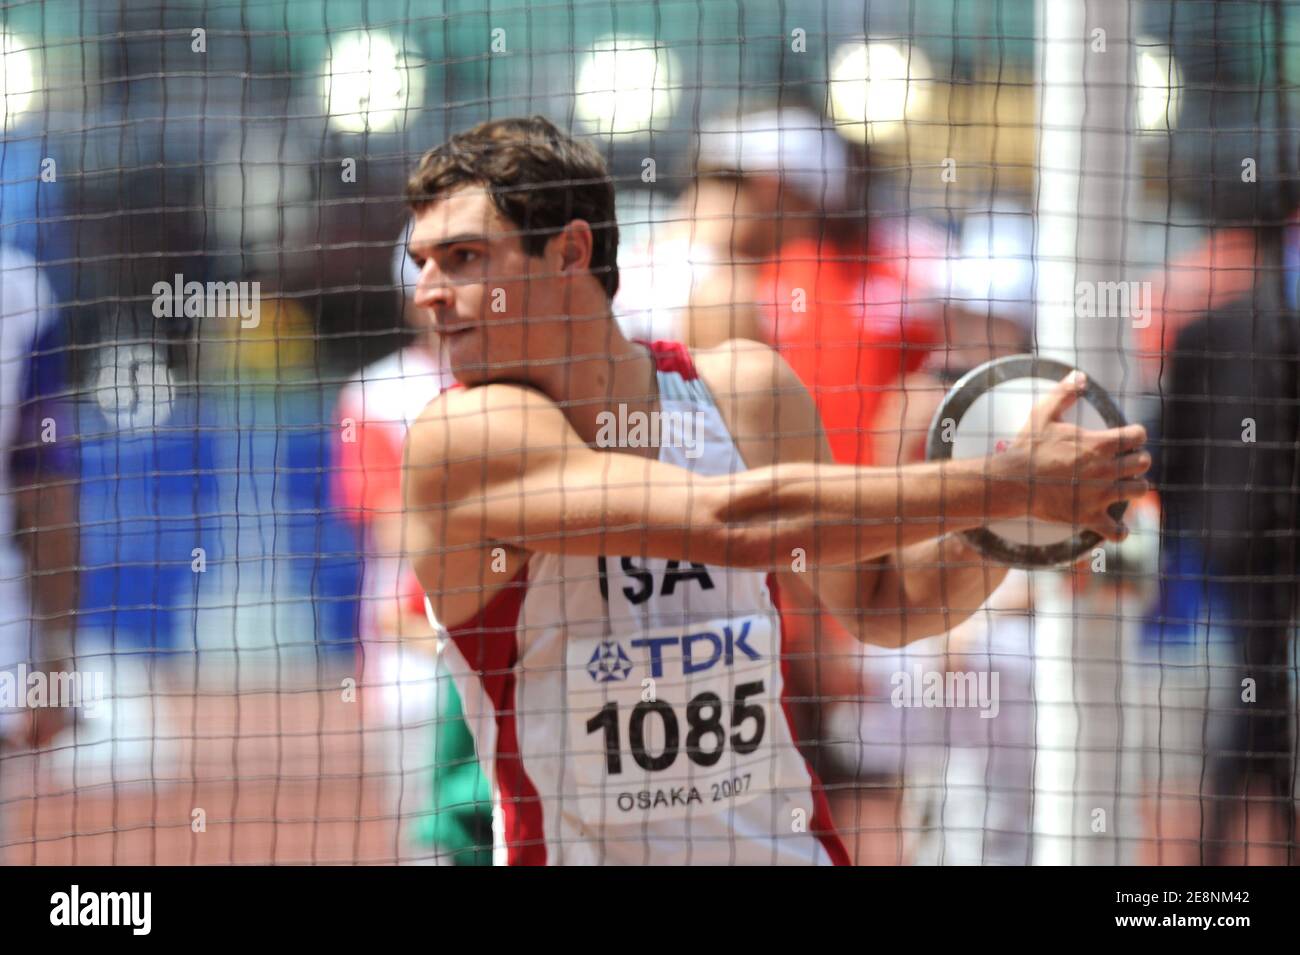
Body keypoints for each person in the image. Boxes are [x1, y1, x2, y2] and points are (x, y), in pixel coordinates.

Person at [400, 115, 1151, 865]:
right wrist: (1005, 483)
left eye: (463, 258)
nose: (429, 291)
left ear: (569, 250)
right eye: (423, 262)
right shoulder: (464, 436)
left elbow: (890, 602)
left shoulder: (745, 391)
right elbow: (733, 521)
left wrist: (1015, 520)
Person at [334, 238, 492, 864]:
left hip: (515, 655)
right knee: (435, 849)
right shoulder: (373, 394)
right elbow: (391, 523)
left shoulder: (516, 378)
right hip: (415, 665)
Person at [0, 245, 80, 767]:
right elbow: (44, 484)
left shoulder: (19, 288)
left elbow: (43, 480)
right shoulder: (17, 285)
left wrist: (52, 654)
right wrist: (54, 653)